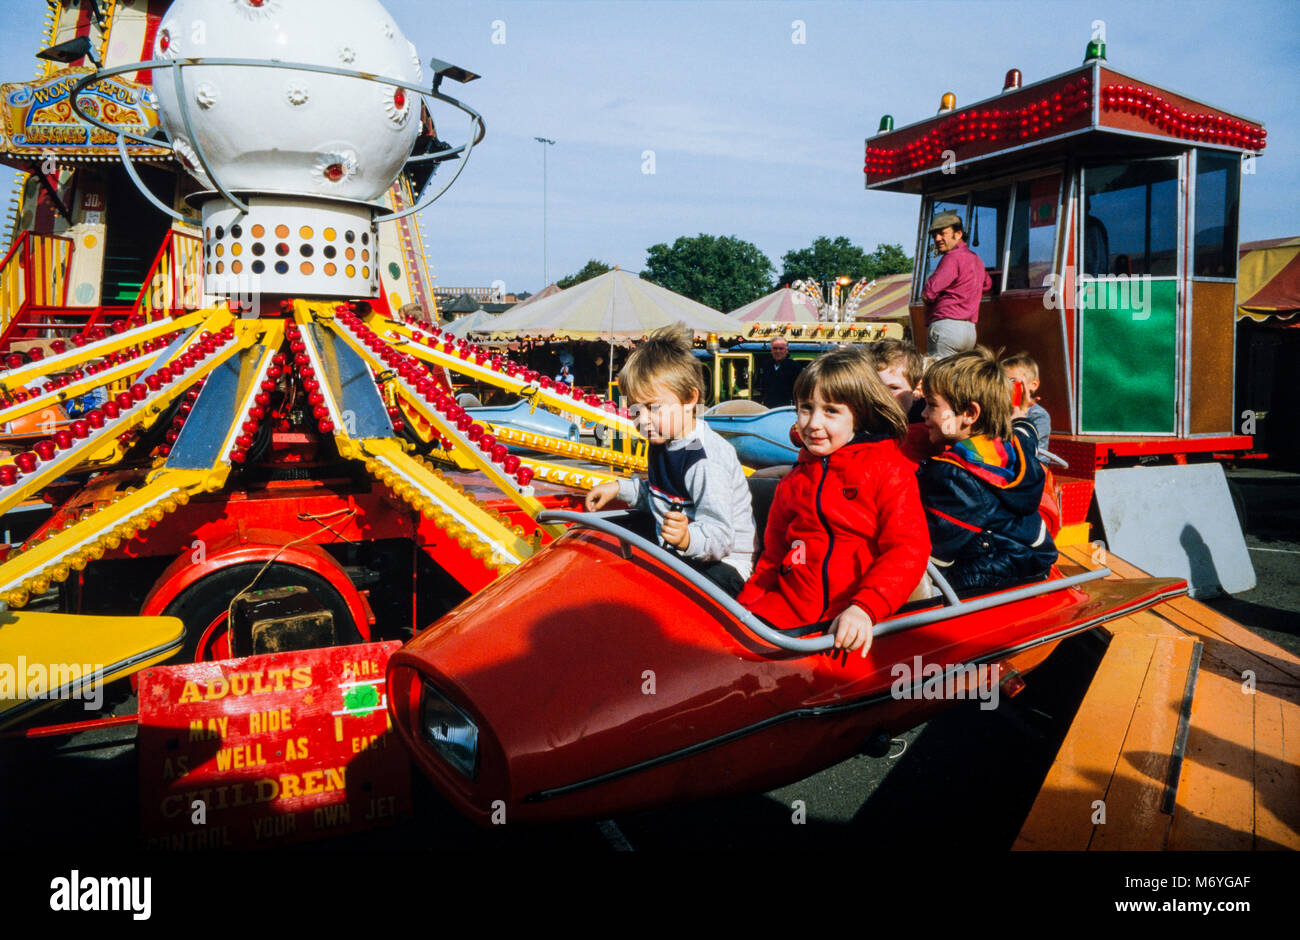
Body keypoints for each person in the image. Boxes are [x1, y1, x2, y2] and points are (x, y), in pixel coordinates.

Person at [736, 348, 930, 655]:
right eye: (805, 408)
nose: (813, 422)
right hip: (788, 614)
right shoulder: (793, 482)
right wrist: (742, 611)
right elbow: (772, 559)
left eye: (831, 411)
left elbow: (908, 548)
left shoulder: (888, 469)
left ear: (860, 413)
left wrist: (865, 607)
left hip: (852, 618)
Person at [585, 324, 756, 595]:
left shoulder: (704, 459)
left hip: (722, 563)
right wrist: (620, 488)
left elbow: (721, 536)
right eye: (635, 412)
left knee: (665, 600)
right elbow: (658, 496)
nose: (643, 420)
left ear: (690, 398)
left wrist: (688, 539)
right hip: (681, 548)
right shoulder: (664, 439)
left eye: (653, 408)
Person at [916, 347, 1056, 594]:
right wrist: (1020, 418)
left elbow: (937, 554)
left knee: (924, 589)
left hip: (994, 568)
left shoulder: (956, 477)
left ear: (969, 413)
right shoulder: (1011, 443)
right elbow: (1026, 431)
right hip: (1034, 557)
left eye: (930, 405)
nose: (923, 414)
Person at [921, 211, 992, 358]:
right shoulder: (976, 259)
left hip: (946, 328)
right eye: (934, 235)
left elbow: (928, 294)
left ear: (958, 234)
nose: (937, 239)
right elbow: (987, 285)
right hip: (969, 331)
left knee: (940, 377)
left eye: (942, 233)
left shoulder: (952, 258)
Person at [1000, 352, 1051, 458]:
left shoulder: (1039, 415)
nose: (1006, 386)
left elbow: (1025, 446)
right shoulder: (1000, 410)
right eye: (1002, 381)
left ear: (1034, 385)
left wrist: (1022, 411)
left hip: (1033, 467)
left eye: (1012, 380)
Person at [756, 338, 804, 408]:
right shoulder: (766, 365)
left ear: (787, 350)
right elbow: (762, 387)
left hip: (787, 408)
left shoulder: (795, 366)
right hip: (768, 408)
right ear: (771, 350)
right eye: (775, 348)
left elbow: (800, 390)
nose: (778, 351)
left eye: (781, 349)